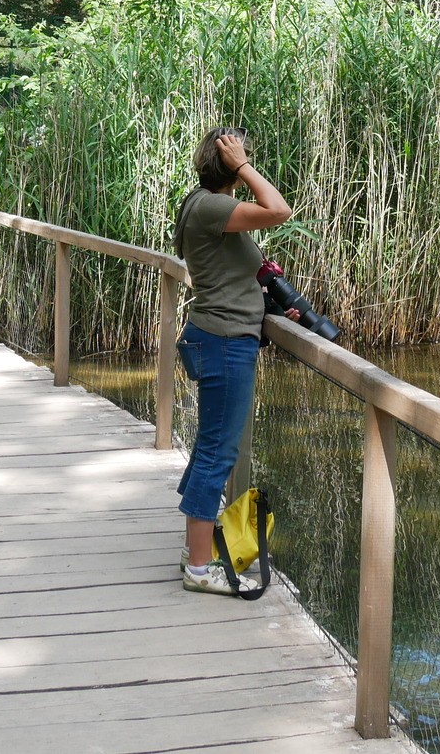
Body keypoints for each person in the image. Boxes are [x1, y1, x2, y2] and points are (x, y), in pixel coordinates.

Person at [173, 127, 294, 596]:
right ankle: (199, 570)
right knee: (217, 454)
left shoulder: (202, 204)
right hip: (224, 339)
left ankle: (195, 551)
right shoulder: (212, 205)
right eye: (241, 157)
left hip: (219, 334)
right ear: (230, 164)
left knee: (210, 448)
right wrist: (245, 166)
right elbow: (279, 211)